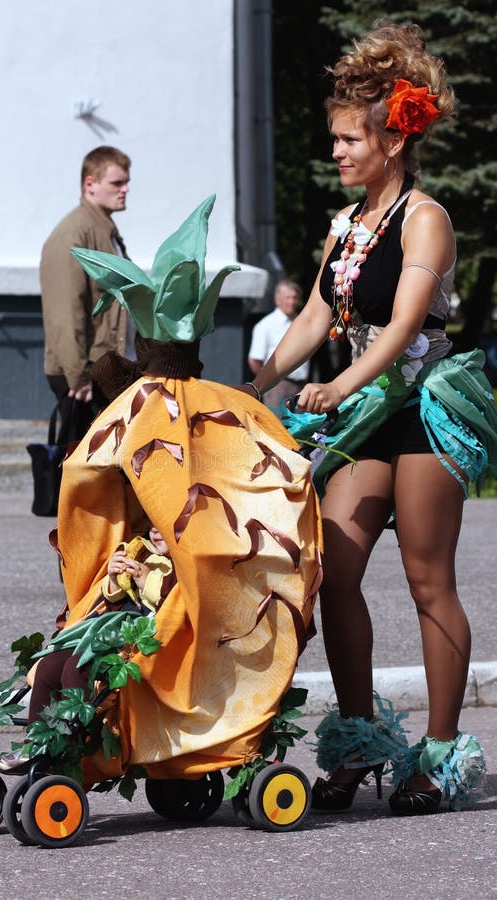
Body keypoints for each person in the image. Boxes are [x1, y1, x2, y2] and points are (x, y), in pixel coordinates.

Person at [241, 21, 496, 815]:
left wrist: (335, 387)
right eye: (337, 138)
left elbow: (397, 330)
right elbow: (315, 319)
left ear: (391, 141)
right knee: (334, 571)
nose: (339, 152)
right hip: (364, 416)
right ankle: (358, 740)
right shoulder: (347, 228)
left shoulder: (427, 219)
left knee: (427, 580)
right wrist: (255, 385)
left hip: (424, 409)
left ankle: (440, 753)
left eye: (351, 139)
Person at [0, 525, 175, 771]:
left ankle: (65, 744)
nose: (156, 531)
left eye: (165, 525)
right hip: (114, 626)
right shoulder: (144, 552)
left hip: (145, 637)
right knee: (49, 666)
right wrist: (114, 578)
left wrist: (148, 582)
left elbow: (180, 606)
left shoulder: (185, 562)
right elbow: (115, 602)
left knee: (77, 668)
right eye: (153, 524)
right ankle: (34, 743)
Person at [39, 145, 134, 437]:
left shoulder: (105, 231)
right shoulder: (74, 233)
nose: (125, 189)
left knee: (105, 474)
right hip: (87, 376)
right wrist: (77, 377)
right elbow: (65, 311)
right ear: (90, 184)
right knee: (83, 474)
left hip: (108, 369)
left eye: (126, 182)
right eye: (117, 183)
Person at [247, 279, 310, 408]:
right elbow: (254, 360)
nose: (292, 302)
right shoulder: (266, 325)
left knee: (300, 427)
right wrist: (267, 383)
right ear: (277, 300)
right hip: (277, 388)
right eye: (288, 298)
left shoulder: (300, 321)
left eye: (295, 298)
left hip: (301, 387)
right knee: (278, 426)